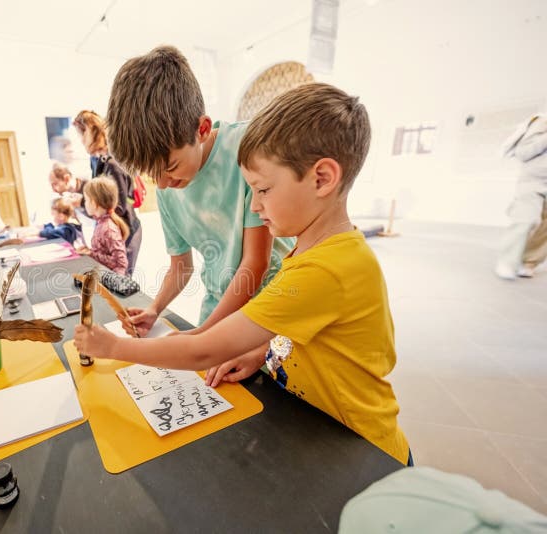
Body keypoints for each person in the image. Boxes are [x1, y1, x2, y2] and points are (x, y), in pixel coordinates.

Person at [75, 82, 412, 466]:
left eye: (263, 189)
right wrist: (262, 350)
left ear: (322, 178)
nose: (254, 204)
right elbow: (310, 333)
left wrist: (113, 348)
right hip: (323, 434)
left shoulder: (326, 269)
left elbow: (203, 349)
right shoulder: (316, 249)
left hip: (364, 452)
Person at [105, 45, 294, 348]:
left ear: (202, 129)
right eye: (153, 176)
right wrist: (155, 309)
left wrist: (202, 336)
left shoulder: (247, 149)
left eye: (170, 167)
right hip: (219, 308)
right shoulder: (167, 186)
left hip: (271, 313)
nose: (163, 185)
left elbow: (255, 263)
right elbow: (181, 265)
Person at [73, 110, 142, 276]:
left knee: (122, 279)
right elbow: (99, 191)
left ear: (90, 132)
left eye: (82, 135)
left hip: (125, 228)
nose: (81, 140)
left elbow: (118, 205)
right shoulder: (97, 160)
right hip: (114, 226)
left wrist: (83, 203)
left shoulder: (113, 164)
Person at [495, 113, 547, 280]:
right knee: (526, 219)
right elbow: (523, 152)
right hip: (534, 181)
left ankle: (528, 262)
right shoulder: (541, 122)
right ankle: (507, 262)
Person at [84, 177, 129, 275]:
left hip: (110, 282)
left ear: (94, 202)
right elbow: (103, 252)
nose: (85, 204)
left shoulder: (108, 229)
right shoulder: (101, 224)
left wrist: (91, 254)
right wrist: (89, 253)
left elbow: (120, 263)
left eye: (86, 200)